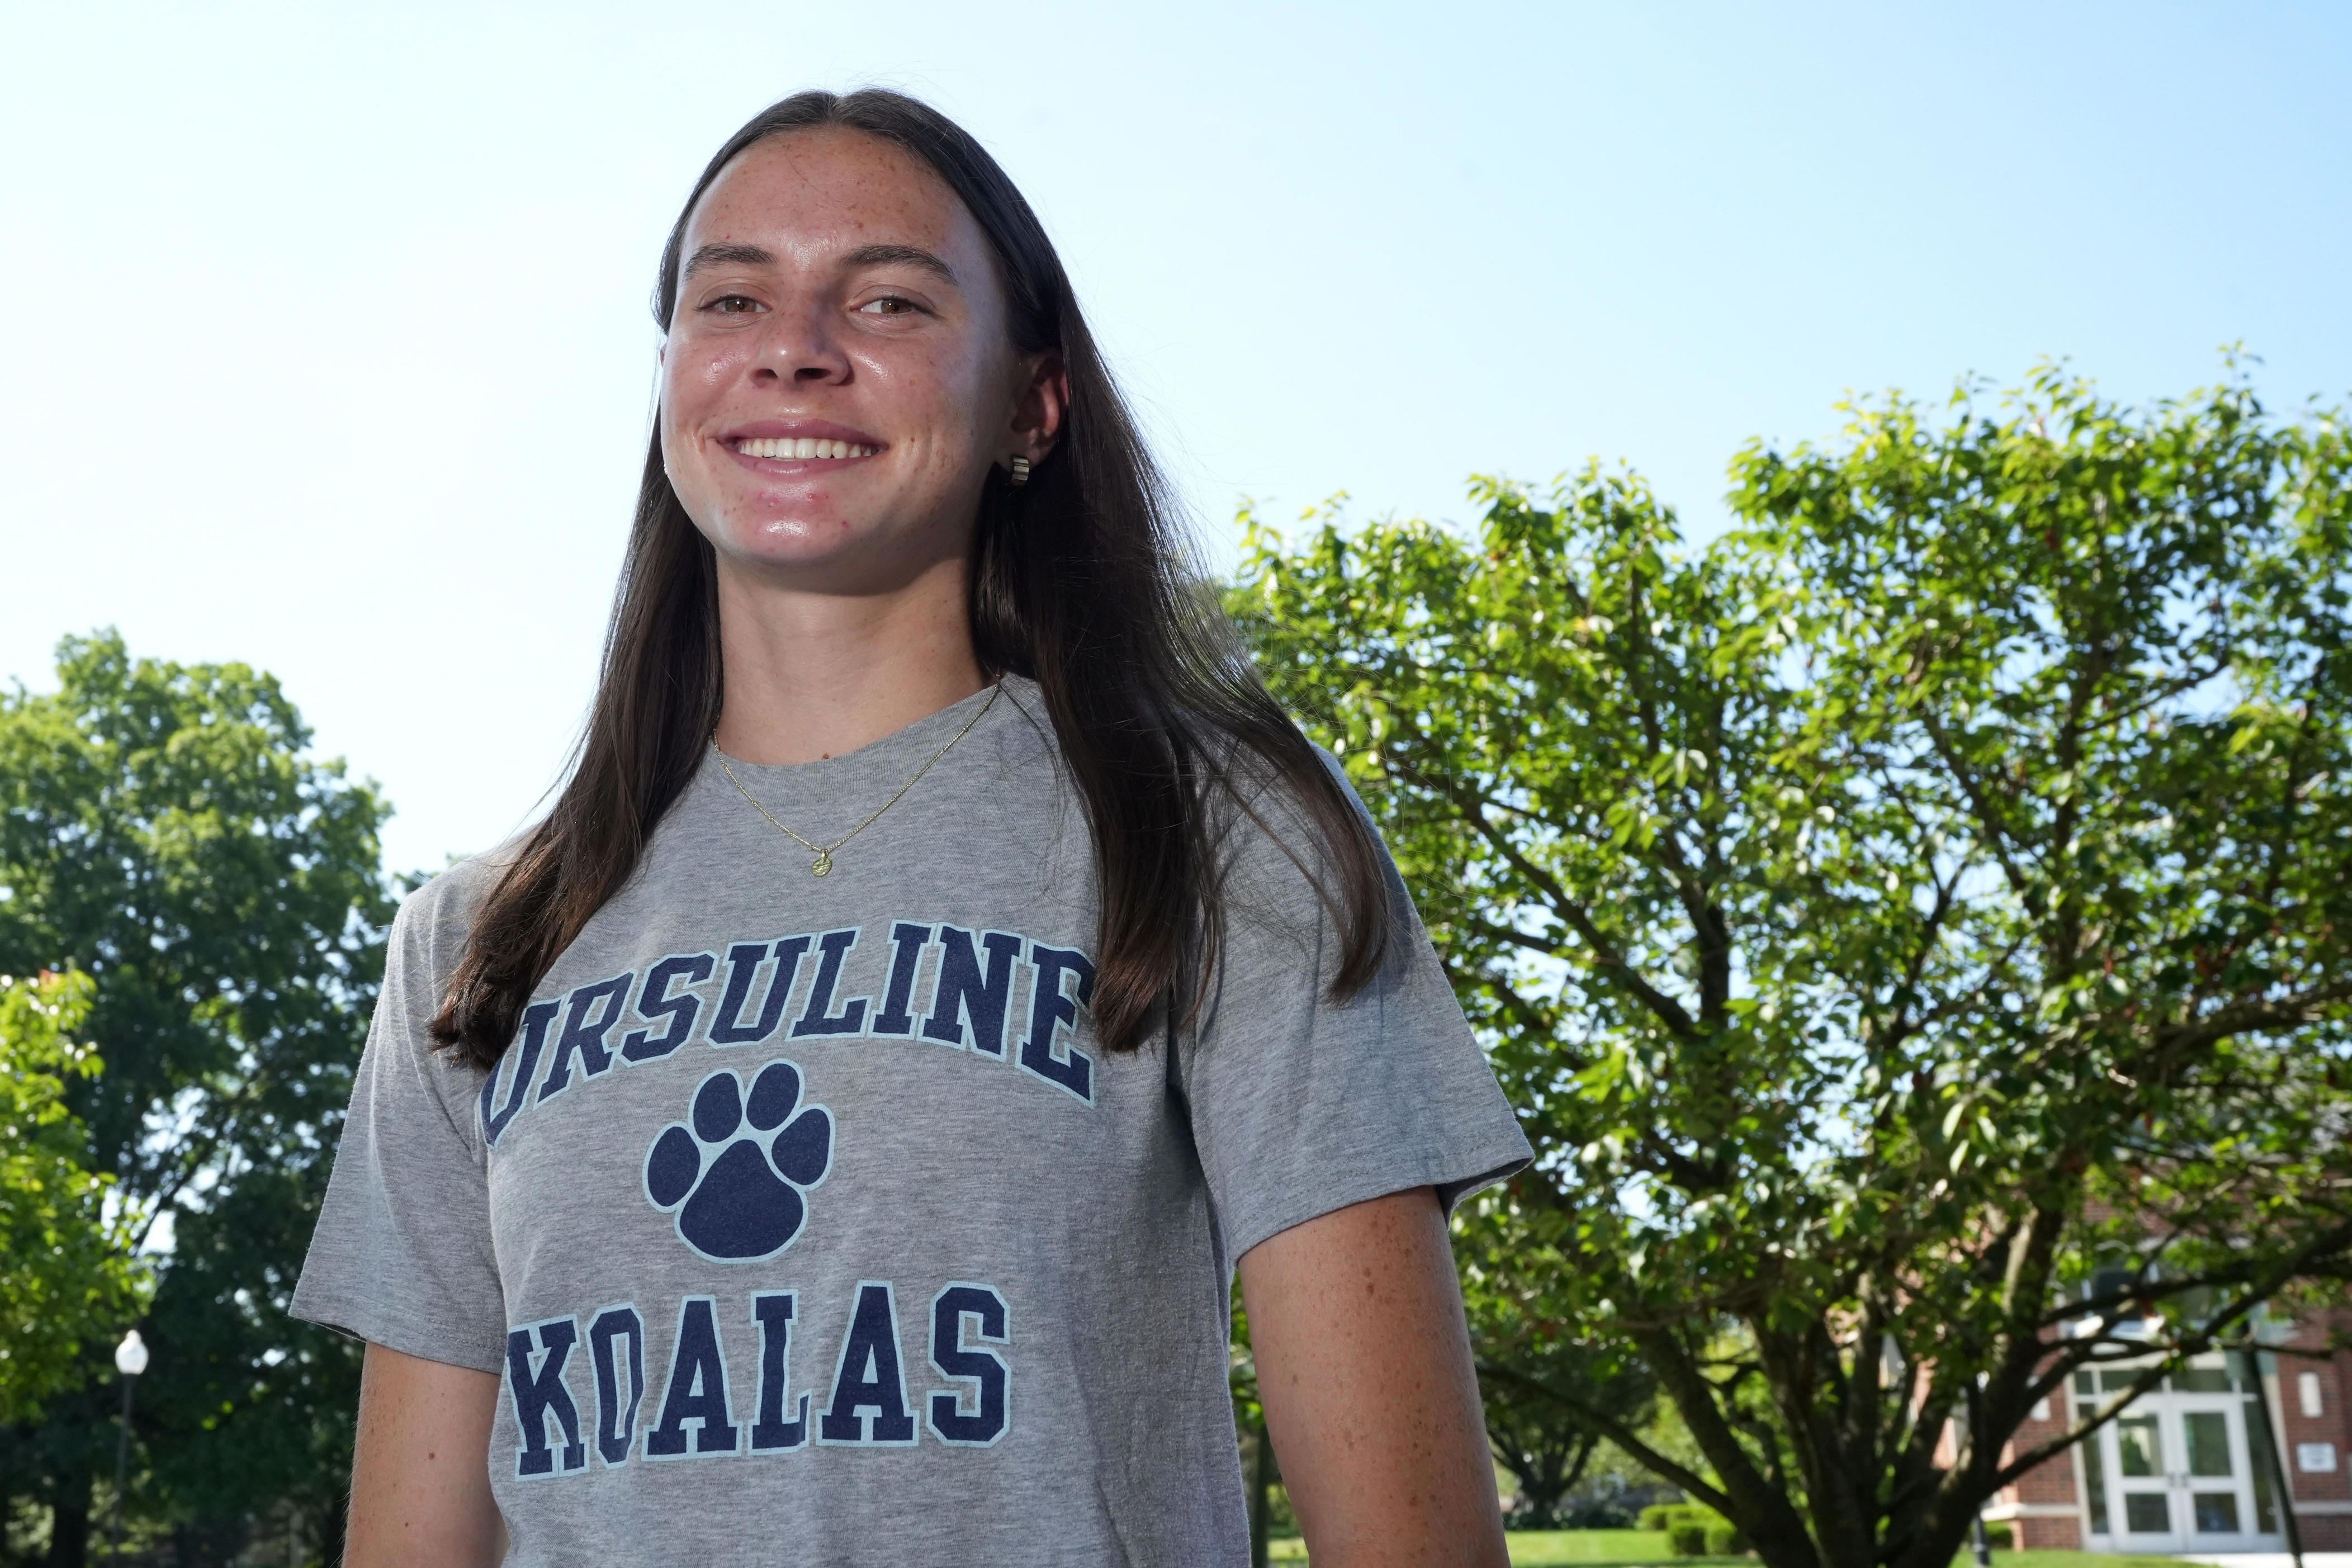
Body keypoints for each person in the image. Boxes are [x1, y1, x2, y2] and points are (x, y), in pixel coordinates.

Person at [292, 88, 1530, 1567]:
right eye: (733, 295)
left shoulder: (1215, 837)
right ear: (678, 378)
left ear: (1032, 401)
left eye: (885, 298)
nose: (796, 347)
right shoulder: (478, 940)